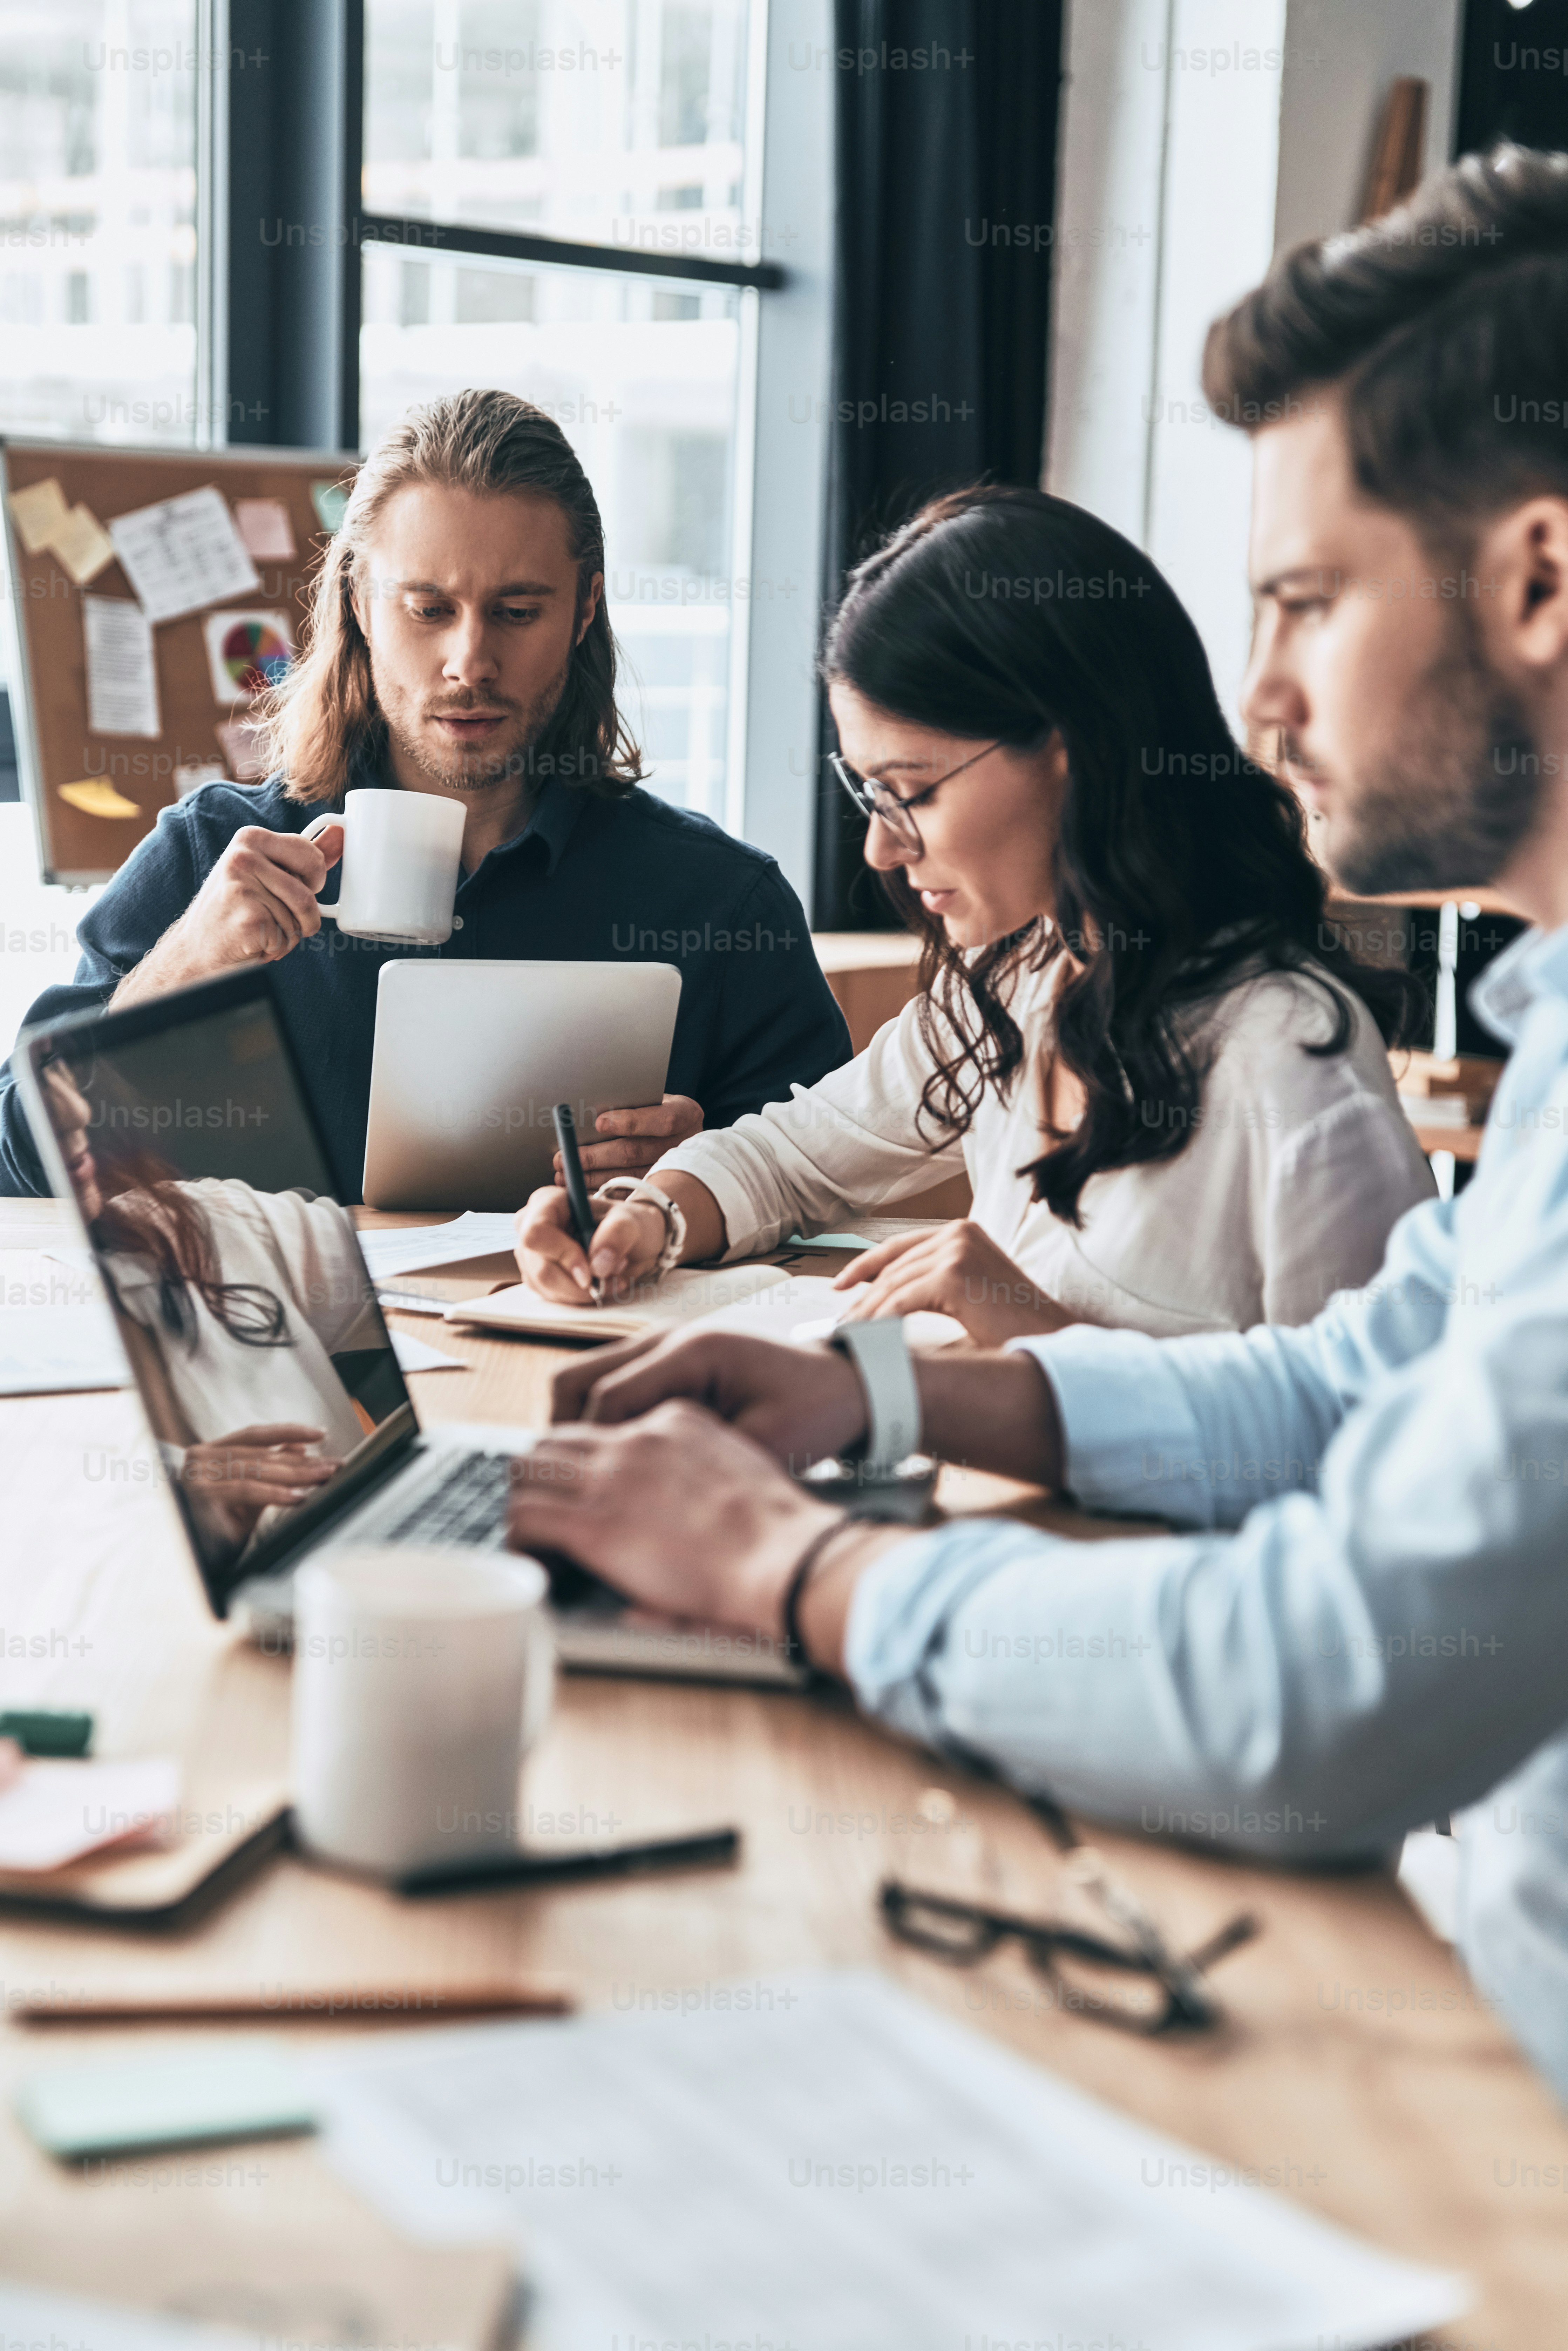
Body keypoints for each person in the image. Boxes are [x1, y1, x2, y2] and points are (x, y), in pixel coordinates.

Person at [506, 146, 1568, 2105]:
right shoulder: (1546, 1039)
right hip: (1448, 1999)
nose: (1253, 703)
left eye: (1305, 603)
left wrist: (801, 1573)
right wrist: (889, 1405)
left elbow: (1326, 1679)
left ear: (1535, 578)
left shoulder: (1291, 1046)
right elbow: (1353, 1387)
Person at [517, 486, 1431, 1345]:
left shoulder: (1293, 1069)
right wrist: (650, 1216)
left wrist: (1031, 1323)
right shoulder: (1019, 976)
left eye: (910, 791)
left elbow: (1370, 1445)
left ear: (1071, 753)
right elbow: (796, 1155)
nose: (881, 849)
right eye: (869, 793)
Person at [0, 391, 849, 1202]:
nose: (469, 661)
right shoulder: (210, 856)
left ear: (585, 607)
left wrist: (705, 1178)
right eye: (428, 609)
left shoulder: (716, 903)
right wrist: (179, 967)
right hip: (299, 1350)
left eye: (516, 612)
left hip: (572, 1350)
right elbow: (20, 1163)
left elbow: (827, 1196)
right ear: (362, 604)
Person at [38, 1056, 375, 1568]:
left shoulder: (188, 1221)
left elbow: (409, 1262)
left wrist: (532, 1222)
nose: (73, 1108)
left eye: (52, 1066)